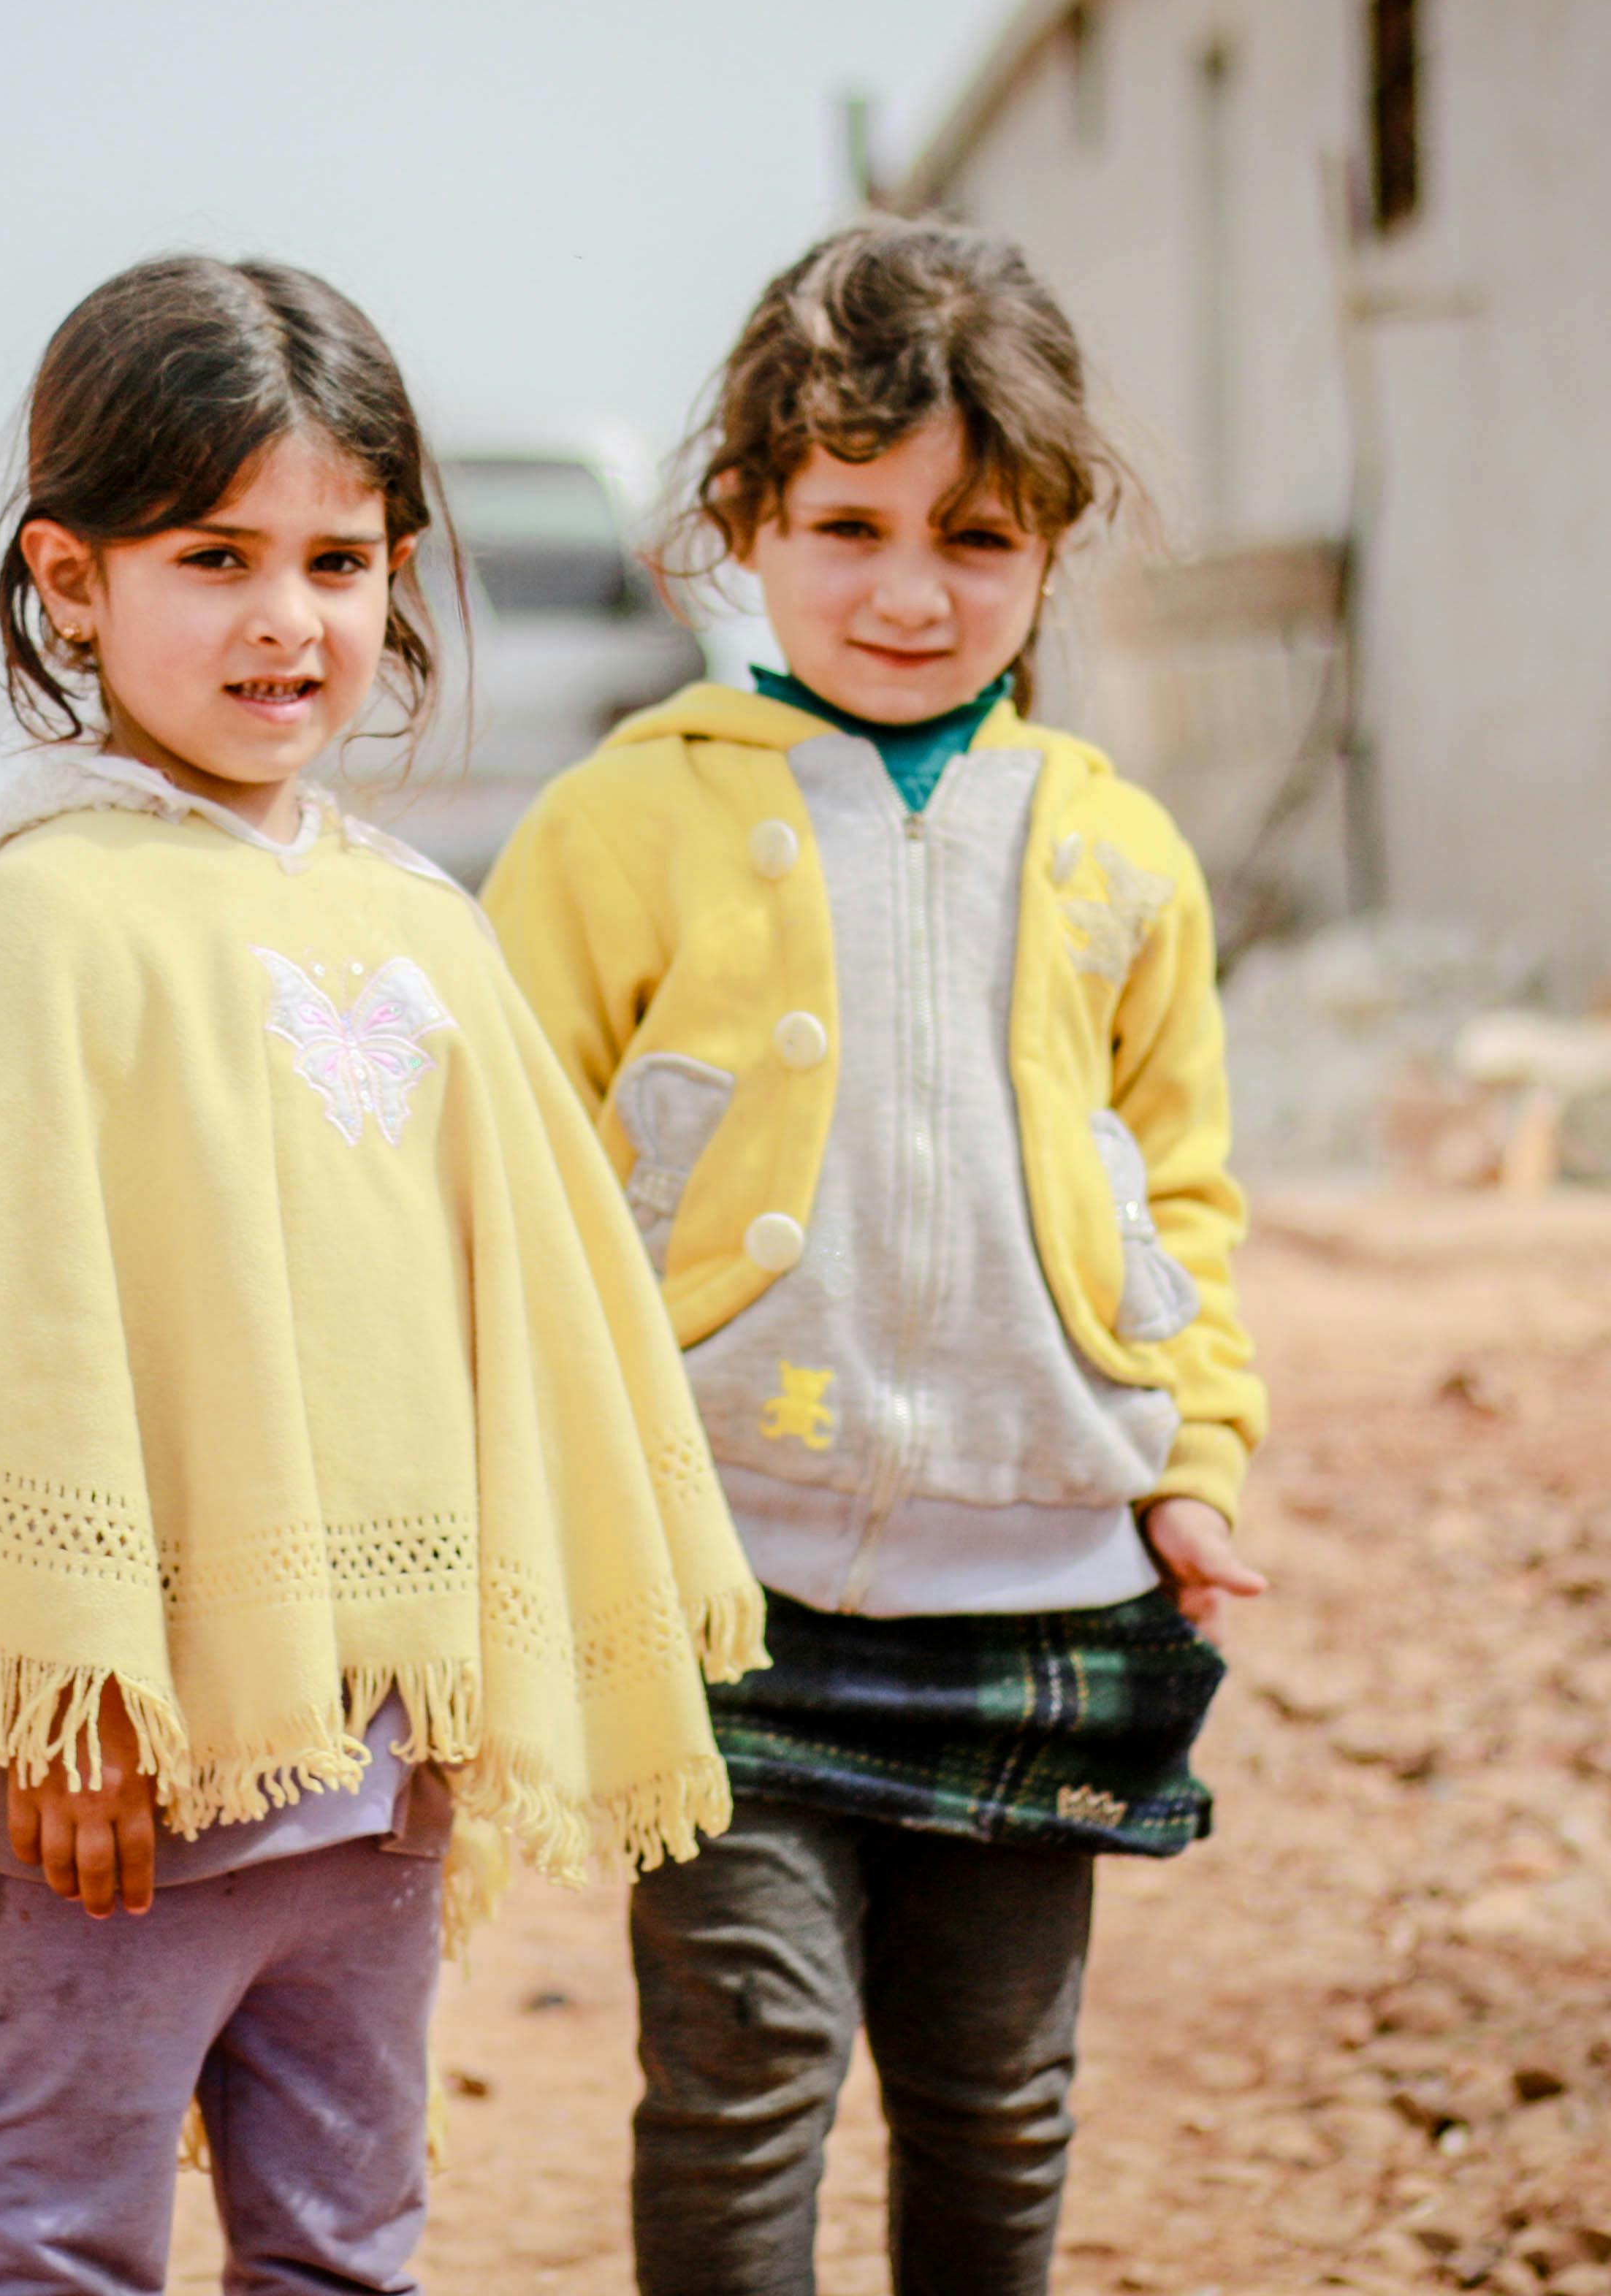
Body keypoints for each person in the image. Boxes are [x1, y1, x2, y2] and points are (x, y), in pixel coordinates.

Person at [0, 256, 764, 2292]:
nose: (288, 618)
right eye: (214, 557)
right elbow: (11, 1336)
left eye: (338, 562)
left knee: (350, 2241)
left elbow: (529, 1320)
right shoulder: (45, 922)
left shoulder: (420, 929)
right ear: (70, 581)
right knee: (58, 2240)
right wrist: (66, 1705)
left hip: (380, 1776)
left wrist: (479, 1669)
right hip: (128, 1784)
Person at [481, 220, 1272, 2296]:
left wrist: (1195, 1455)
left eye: (976, 539)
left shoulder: (1119, 852)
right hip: (717, 1581)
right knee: (743, 2069)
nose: (911, 593)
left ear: (1054, 547)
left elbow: (1182, 1193)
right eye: (850, 527)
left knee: (1001, 2094)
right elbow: (513, 1193)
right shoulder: (615, 831)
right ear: (744, 517)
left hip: (1041, 1578)